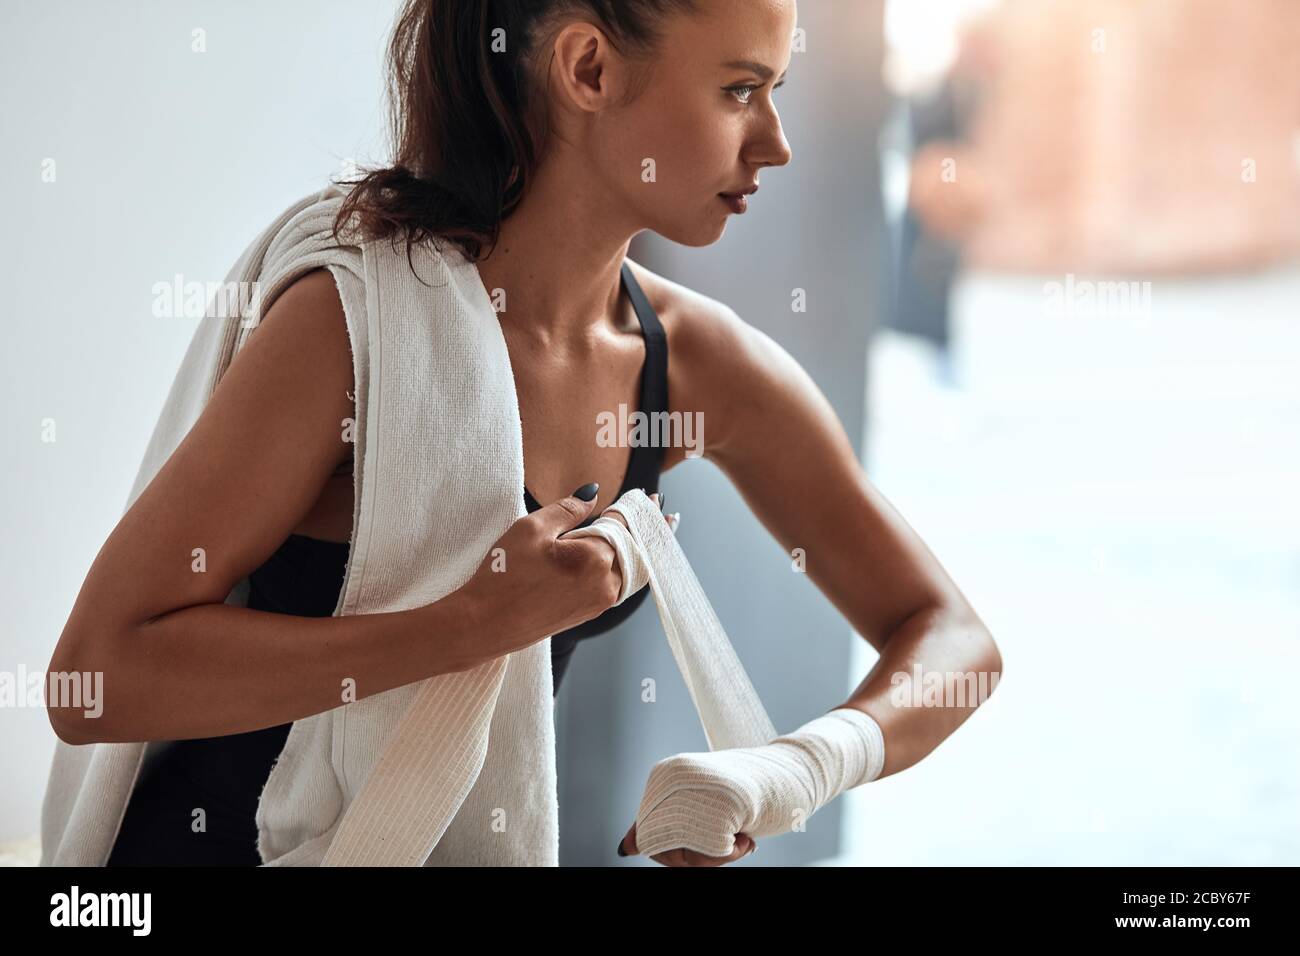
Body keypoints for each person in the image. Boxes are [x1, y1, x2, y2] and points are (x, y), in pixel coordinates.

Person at [50, 0, 1001, 868]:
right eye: (739, 89)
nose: (777, 143)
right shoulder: (349, 325)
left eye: (774, 91)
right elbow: (95, 675)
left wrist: (783, 773)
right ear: (588, 70)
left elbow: (954, 639)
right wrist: (465, 627)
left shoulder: (694, 363)